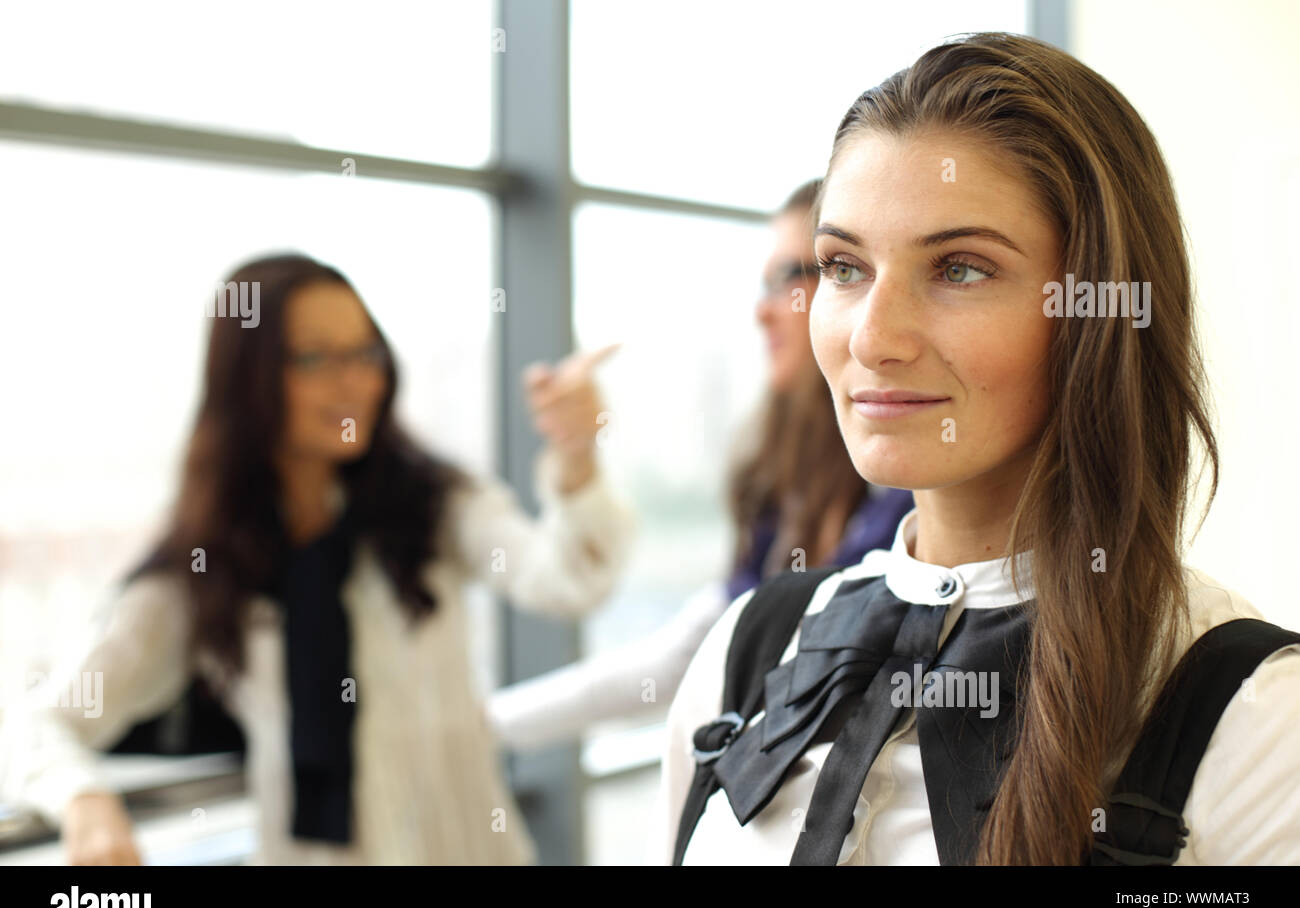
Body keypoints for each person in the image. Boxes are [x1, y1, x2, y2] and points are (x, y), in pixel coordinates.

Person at [655, 32, 1300, 865]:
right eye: (844, 267)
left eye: (960, 269)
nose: (874, 338)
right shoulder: (750, 646)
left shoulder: (1254, 718)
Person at [0, 253, 636, 865]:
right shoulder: (205, 569)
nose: (354, 380)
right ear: (249, 377)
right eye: (314, 358)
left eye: (364, 353)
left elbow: (567, 580)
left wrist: (577, 460)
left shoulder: (432, 505)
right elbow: (39, 725)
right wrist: (85, 802)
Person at [487, 182, 913, 751]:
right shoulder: (782, 471)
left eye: (792, 275)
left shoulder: (917, 488)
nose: (763, 311)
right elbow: (697, 651)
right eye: (765, 284)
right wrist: (481, 727)